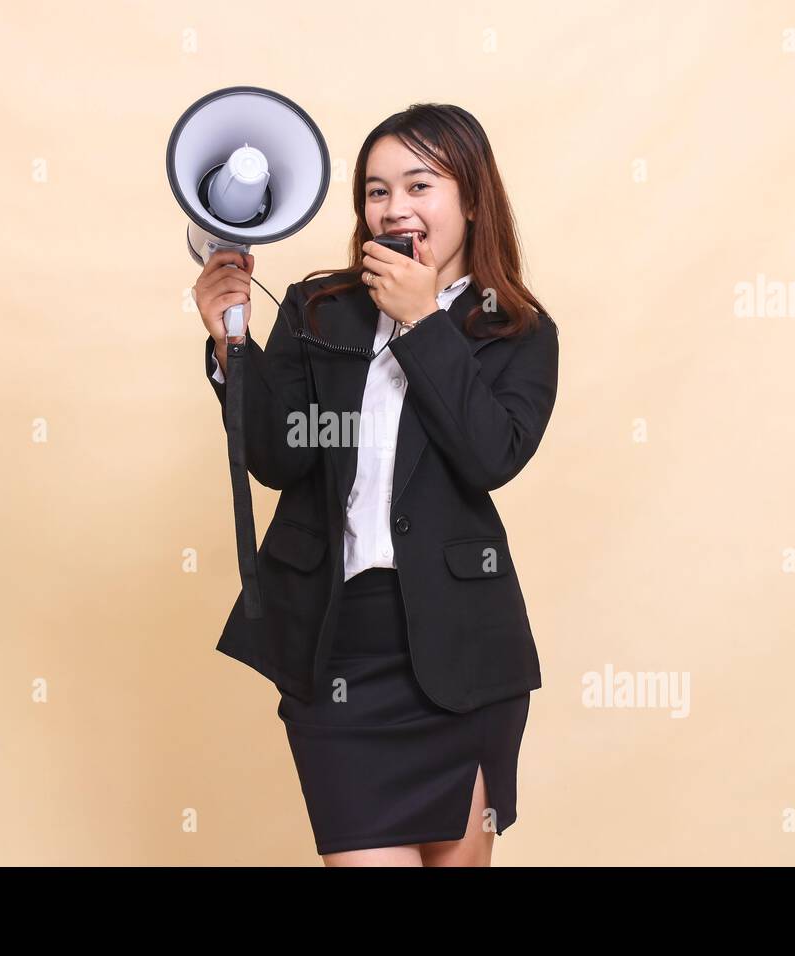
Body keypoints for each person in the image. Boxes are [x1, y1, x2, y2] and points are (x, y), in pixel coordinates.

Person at [193, 103, 559, 866]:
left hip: (461, 654)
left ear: (472, 199)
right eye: (376, 191)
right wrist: (233, 344)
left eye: (419, 186)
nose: (394, 209)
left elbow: (491, 456)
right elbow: (279, 457)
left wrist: (425, 321)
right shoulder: (321, 307)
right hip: (339, 648)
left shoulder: (515, 329)